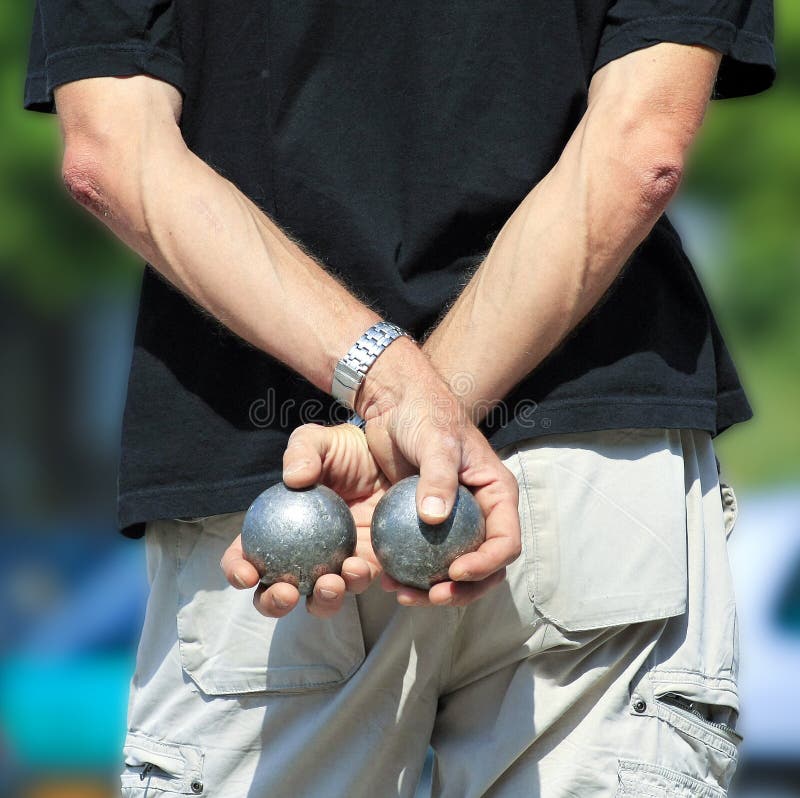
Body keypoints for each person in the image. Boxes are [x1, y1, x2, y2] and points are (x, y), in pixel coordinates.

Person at [25, 1, 774, 795]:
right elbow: (640, 148)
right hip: (593, 473)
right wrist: (419, 410)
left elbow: (113, 150)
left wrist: (390, 398)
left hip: (285, 495)